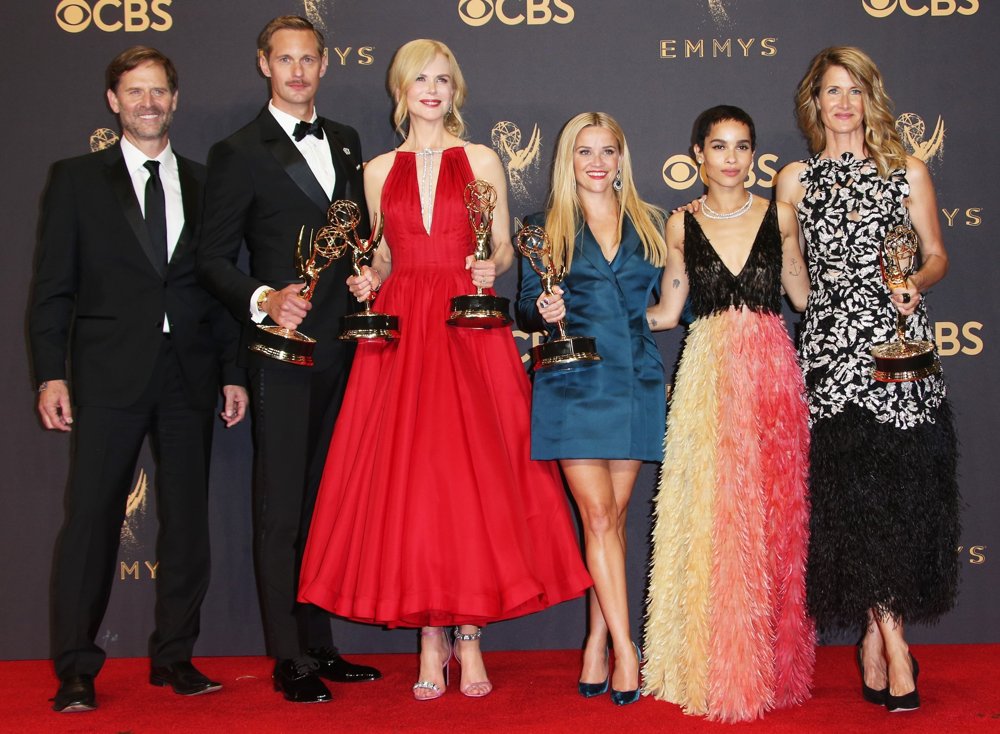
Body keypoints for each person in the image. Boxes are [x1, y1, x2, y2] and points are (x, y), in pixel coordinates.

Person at [298, 38, 591, 702]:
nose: (432, 89)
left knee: (472, 480)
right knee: (414, 485)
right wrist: (365, 282)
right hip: (402, 330)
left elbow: (506, 247)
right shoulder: (376, 170)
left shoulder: (482, 158)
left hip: (468, 325)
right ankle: (431, 635)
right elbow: (378, 257)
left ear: (456, 90)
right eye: (420, 79)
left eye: (443, 79)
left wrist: (493, 268)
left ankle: (470, 634)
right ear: (400, 90)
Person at [29, 46, 248, 713]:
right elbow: (52, 290)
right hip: (106, 375)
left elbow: (221, 290)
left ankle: (176, 656)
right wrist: (49, 376)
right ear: (113, 100)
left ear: (175, 100)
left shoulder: (208, 184)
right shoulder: (75, 179)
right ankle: (75, 669)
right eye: (135, 91)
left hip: (190, 374)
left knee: (186, 524)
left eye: (159, 91)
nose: (148, 102)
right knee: (91, 519)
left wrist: (233, 373)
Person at [197, 16, 380, 703]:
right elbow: (211, 258)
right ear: (264, 65)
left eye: (309, 59)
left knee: (325, 502)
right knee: (279, 509)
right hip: (282, 351)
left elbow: (356, 239)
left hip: (346, 348)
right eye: (285, 59)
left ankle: (321, 644)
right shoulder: (238, 150)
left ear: (324, 65)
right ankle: (288, 658)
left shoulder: (348, 141)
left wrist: (367, 276)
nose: (298, 71)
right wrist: (265, 297)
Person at [775, 46, 959, 713]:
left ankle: (881, 641)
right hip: (830, 356)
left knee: (900, 496)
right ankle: (894, 644)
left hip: (899, 352)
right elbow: (795, 279)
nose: (843, 103)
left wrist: (914, 283)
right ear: (814, 103)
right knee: (853, 499)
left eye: (854, 90)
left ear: (870, 97)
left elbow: (936, 254)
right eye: (831, 91)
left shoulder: (906, 171)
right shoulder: (795, 180)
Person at [641, 106, 813, 722]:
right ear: (698, 154)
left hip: (772, 376)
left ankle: (774, 666)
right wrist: (595, 315)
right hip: (707, 378)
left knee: (773, 514)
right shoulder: (680, 224)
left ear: (754, 154)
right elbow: (668, 309)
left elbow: (799, 295)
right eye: (719, 146)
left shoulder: (783, 215)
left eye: (742, 146)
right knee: (712, 517)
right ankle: (707, 664)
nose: (732, 158)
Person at [515, 112, 666, 706]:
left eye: (608, 151)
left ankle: (596, 640)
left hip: (635, 380)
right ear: (567, 160)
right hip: (572, 380)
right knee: (598, 516)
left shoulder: (652, 223)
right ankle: (628, 650)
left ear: (622, 158)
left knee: (616, 517)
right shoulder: (542, 226)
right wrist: (543, 311)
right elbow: (524, 307)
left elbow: (669, 300)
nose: (597, 162)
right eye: (585, 152)